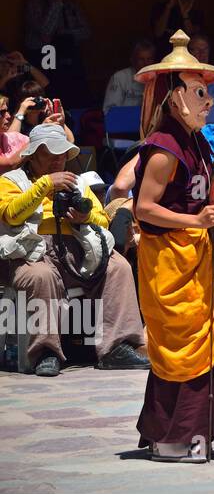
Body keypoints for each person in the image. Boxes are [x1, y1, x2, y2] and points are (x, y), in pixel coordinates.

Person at [131, 31, 214, 461]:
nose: (209, 102)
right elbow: (144, 208)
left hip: (201, 257)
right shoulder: (164, 149)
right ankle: (172, 438)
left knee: (207, 342)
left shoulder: (196, 141)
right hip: (171, 260)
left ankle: (196, 431)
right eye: (200, 93)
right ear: (174, 99)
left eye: (208, 93)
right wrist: (195, 219)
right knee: (181, 345)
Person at [0, 123, 149, 378]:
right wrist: (44, 186)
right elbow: (11, 214)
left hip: (79, 250)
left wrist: (84, 216)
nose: (59, 160)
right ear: (33, 154)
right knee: (40, 276)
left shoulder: (77, 182)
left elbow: (102, 219)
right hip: (31, 252)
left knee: (118, 266)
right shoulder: (10, 181)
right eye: (51, 153)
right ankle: (45, 353)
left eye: (63, 154)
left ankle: (116, 347)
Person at [24, 0, 92, 107]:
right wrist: (58, 1)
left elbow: (86, 32)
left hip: (68, 65)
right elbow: (45, 32)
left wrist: (64, 33)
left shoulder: (71, 6)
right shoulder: (34, 5)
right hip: (44, 63)